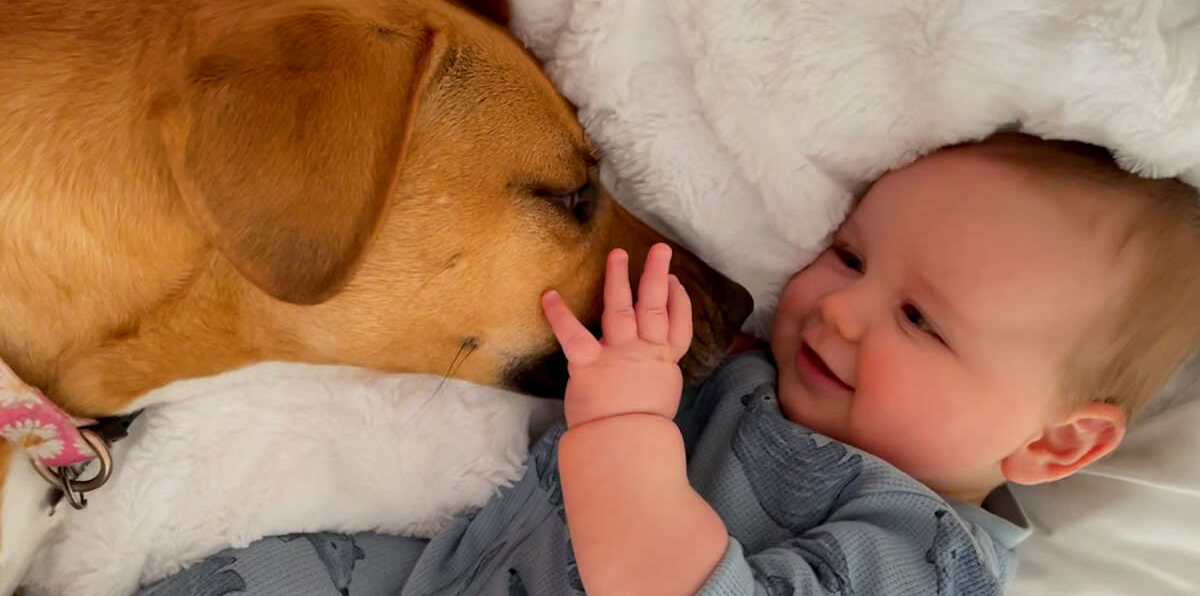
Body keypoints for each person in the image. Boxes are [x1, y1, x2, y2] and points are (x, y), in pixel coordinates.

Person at [137, 133, 1200, 596]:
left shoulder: (921, 563)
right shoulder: (757, 374)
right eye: (851, 255)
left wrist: (631, 432)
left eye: (921, 321)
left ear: (1056, 441)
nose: (837, 310)